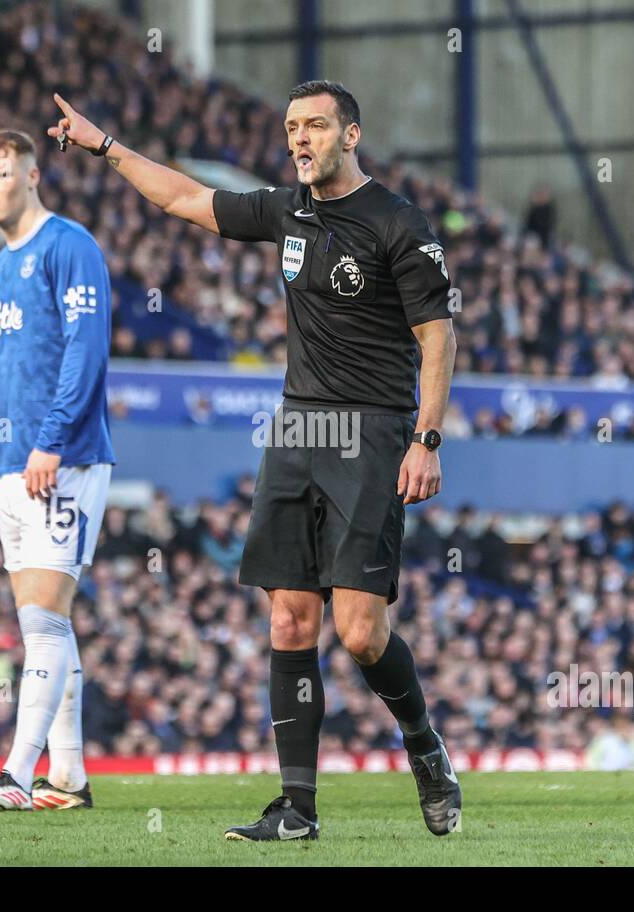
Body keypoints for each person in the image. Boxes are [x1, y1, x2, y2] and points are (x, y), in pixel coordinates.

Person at [51, 80, 462, 840]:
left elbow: (437, 338)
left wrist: (426, 440)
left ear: (351, 134)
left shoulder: (400, 224)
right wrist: (106, 147)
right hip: (299, 428)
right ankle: (297, 810)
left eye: (314, 126)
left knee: (362, 633)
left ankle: (425, 749)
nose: (299, 140)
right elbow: (184, 199)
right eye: (290, 129)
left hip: (372, 432)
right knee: (286, 620)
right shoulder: (286, 209)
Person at [0, 129, 114, 813]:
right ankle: (70, 778)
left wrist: (49, 443)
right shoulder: (0, 266)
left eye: (1, 174)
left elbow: (87, 351)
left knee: (44, 622)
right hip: (20, 467)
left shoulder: (70, 247)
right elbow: (7, 375)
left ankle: (17, 773)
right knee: (41, 626)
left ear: (31, 176)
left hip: (67, 461)